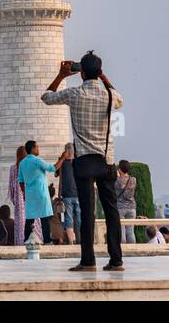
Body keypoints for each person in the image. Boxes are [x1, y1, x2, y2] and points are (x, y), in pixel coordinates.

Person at [41, 53, 124, 271]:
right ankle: (116, 260)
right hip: (107, 161)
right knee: (111, 211)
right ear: (99, 72)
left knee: (87, 212)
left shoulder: (75, 93)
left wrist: (60, 75)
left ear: (82, 73)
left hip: (84, 161)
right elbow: (120, 98)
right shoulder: (109, 95)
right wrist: (102, 77)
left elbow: (47, 97)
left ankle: (88, 260)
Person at [18, 140, 63, 245]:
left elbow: (20, 180)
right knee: (44, 218)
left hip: (30, 194)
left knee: (30, 219)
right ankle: (47, 241)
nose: (38, 149)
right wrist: (63, 158)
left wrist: (24, 193)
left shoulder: (22, 163)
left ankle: (26, 241)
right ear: (32, 148)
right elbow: (53, 168)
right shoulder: (37, 161)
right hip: (41, 193)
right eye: (37, 147)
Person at [58, 143, 80, 245]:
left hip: (66, 195)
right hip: (78, 194)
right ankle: (81, 240)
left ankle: (71, 242)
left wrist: (62, 158)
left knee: (68, 219)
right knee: (80, 219)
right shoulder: (78, 162)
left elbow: (55, 173)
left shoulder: (62, 162)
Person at [6, 146, 28, 245]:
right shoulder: (28, 167)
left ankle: (20, 242)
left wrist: (14, 200)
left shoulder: (13, 168)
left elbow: (11, 187)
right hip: (29, 198)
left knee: (20, 224)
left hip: (19, 201)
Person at [115, 161, 138, 246]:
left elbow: (115, 190)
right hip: (132, 207)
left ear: (120, 169)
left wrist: (118, 177)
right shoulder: (133, 179)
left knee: (122, 230)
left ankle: (123, 249)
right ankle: (133, 248)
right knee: (130, 230)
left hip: (120, 207)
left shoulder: (117, 181)